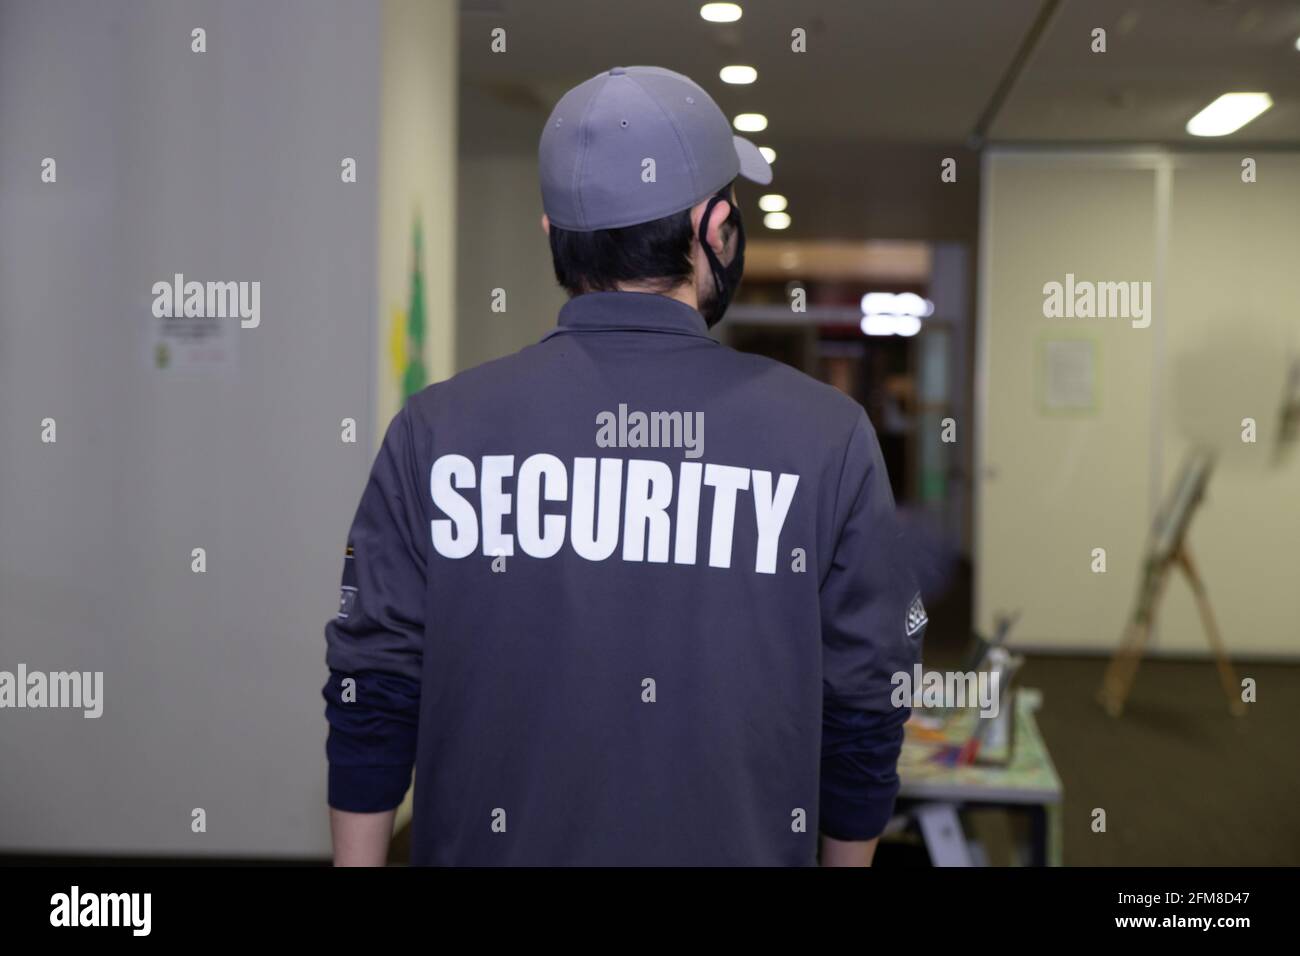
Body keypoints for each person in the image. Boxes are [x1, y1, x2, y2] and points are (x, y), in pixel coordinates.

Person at [323, 66, 925, 866]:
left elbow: (373, 684)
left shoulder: (435, 432)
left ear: (554, 236)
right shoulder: (828, 439)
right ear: (715, 230)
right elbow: (866, 699)